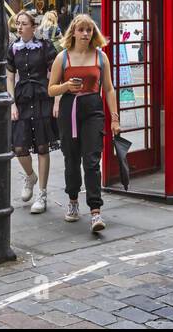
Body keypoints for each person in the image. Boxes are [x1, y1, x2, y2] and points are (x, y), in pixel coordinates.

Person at [48, 14, 120, 234]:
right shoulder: (63, 57)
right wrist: (66, 86)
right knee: (71, 159)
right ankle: (72, 200)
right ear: (74, 32)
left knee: (91, 161)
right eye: (82, 30)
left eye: (89, 30)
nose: (86, 34)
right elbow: (51, 88)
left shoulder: (101, 57)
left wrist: (115, 118)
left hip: (93, 110)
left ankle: (95, 211)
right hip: (69, 110)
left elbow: (108, 89)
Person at [8, 10, 59, 214]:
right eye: (17, 24)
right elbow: (10, 78)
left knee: (42, 146)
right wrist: (11, 103)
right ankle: (30, 175)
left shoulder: (45, 47)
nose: (19, 27)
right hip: (22, 99)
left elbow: (56, 74)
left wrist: (56, 101)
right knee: (19, 146)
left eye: (23, 24)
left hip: (42, 98)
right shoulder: (13, 48)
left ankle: (42, 193)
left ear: (33, 27)